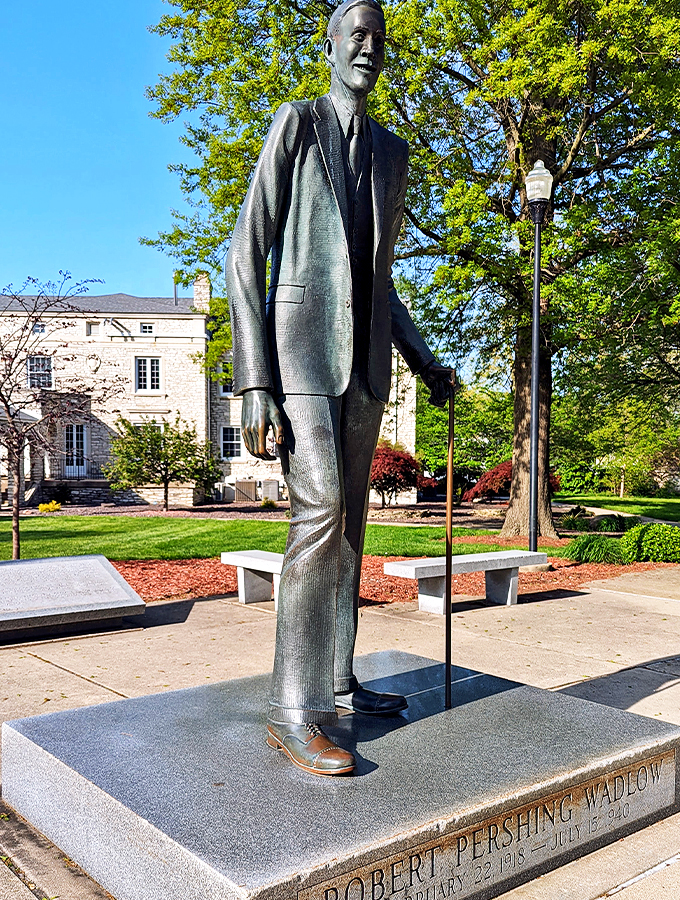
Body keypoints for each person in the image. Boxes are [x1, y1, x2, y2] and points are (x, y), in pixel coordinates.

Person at [225, 0, 454, 776]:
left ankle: (337, 679)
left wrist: (424, 359)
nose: (368, 46)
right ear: (327, 45)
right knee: (318, 511)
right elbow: (243, 254)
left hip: (363, 366)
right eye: (355, 33)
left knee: (352, 527)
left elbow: (380, 281)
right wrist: (252, 381)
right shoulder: (296, 123)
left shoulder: (393, 153)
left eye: (379, 37)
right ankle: (295, 708)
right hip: (296, 359)